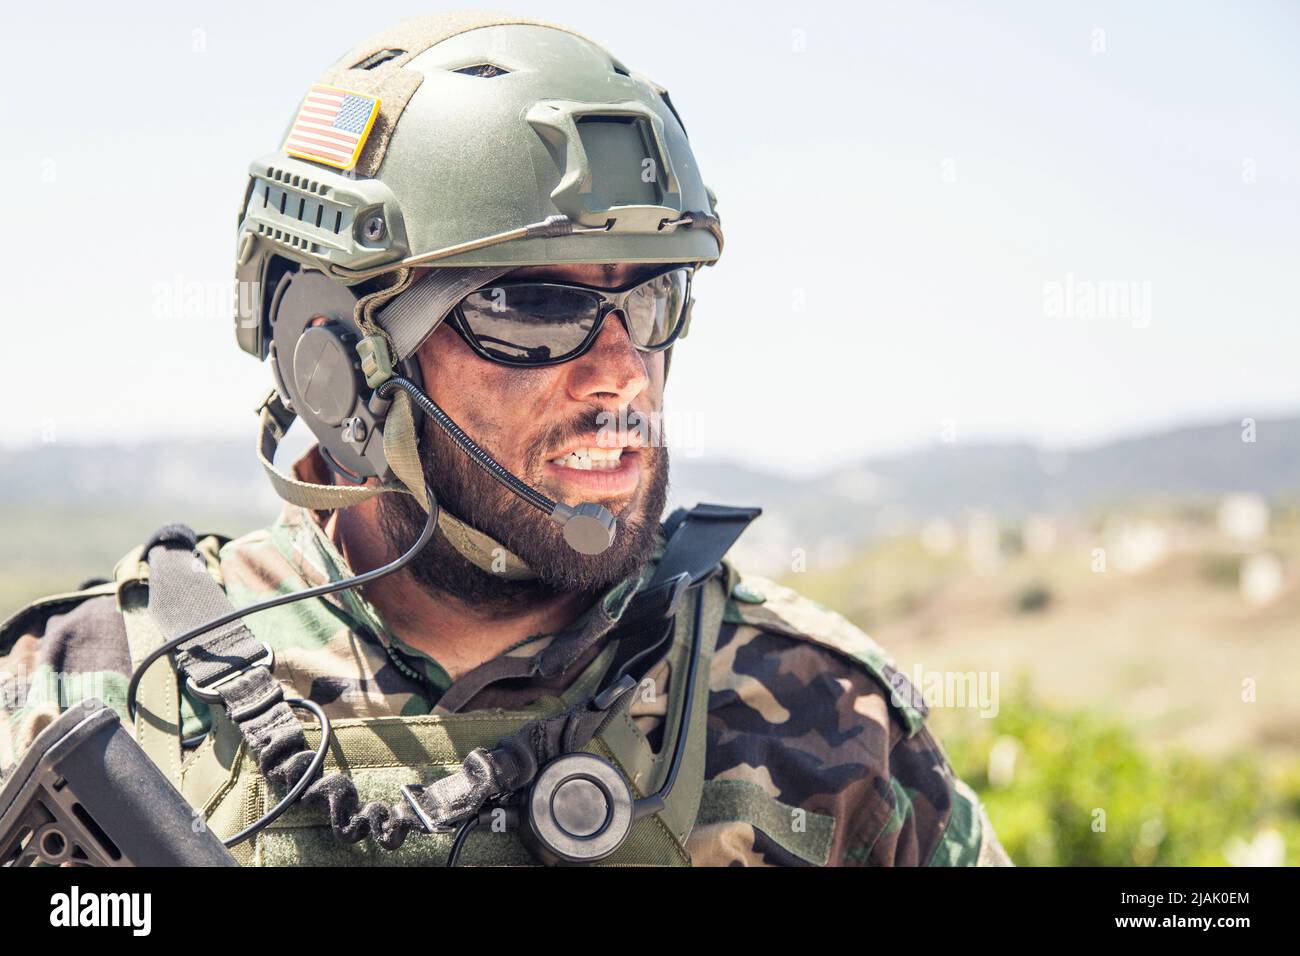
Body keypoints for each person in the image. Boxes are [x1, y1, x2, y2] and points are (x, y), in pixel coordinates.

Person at [0, 11, 1010, 867]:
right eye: (534, 308)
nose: (619, 372)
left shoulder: (828, 715)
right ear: (339, 360)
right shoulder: (79, 690)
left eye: (651, 297)